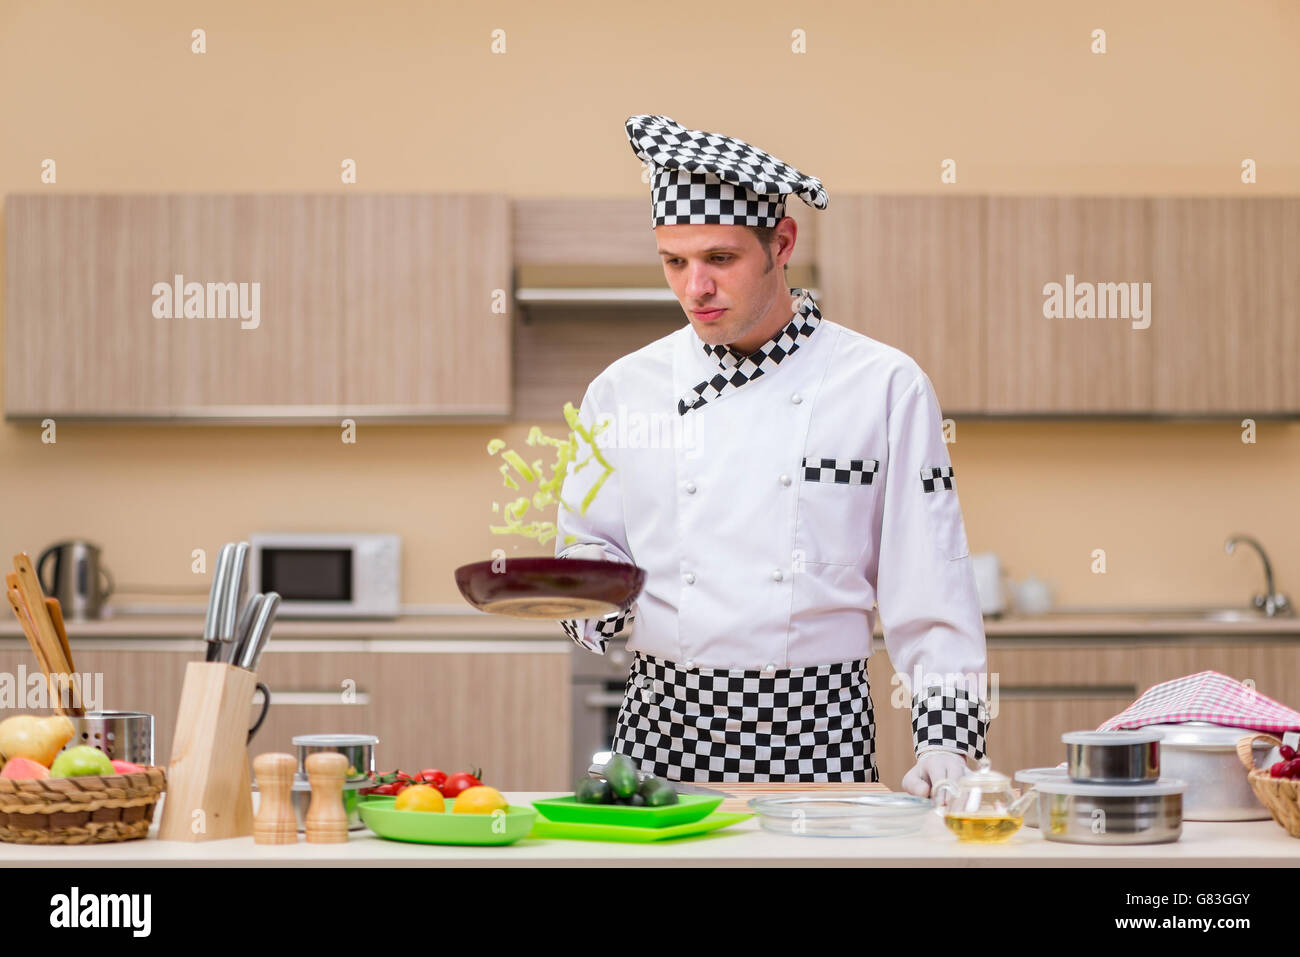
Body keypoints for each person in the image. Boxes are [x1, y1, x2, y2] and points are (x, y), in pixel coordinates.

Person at [555, 114, 989, 796]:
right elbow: (589, 555)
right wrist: (572, 592)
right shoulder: (621, 390)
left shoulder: (882, 384)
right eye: (675, 261)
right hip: (658, 732)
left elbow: (930, 586)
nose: (694, 288)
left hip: (819, 738)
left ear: (781, 243)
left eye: (720, 259)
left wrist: (949, 743)